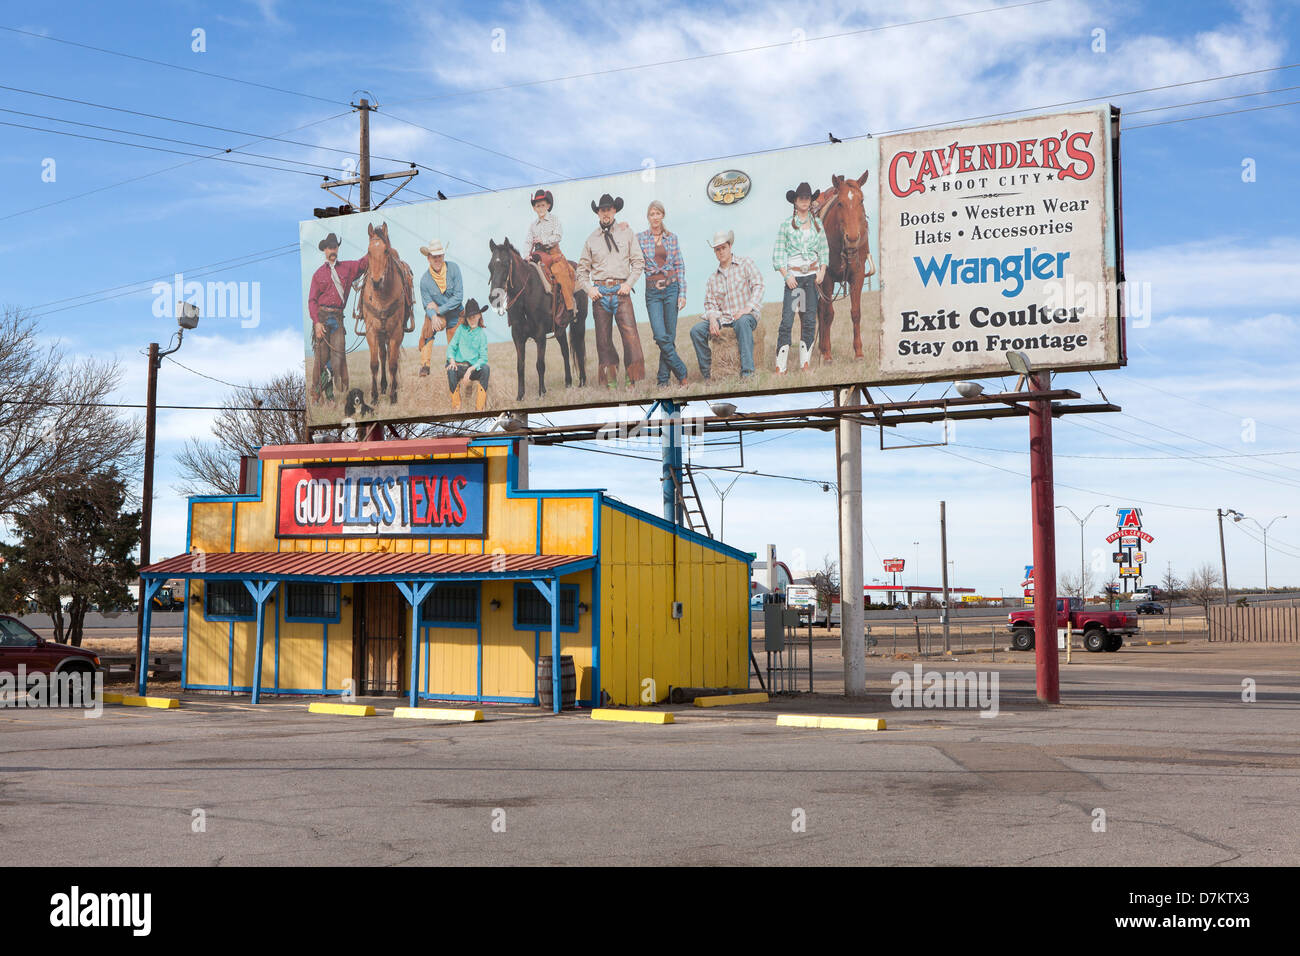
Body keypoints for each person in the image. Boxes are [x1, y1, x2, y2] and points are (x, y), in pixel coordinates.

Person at [576, 193, 645, 387]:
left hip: (622, 290)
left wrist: (628, 284)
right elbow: (581, 270)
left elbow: (638, 262)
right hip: (600, 293)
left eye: (609, 209)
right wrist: (589, 289)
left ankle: (633, 379)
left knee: (631, 336)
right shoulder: (591, 240)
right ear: (598, 213)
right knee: (603, 340)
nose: (605, 213)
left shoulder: (627, 233)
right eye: (602, 210)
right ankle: (610, 381)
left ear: (614, 210)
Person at [690, 230, 764, 380]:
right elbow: (710, 304)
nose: (721, 252)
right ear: (715, 252)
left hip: (745, 316)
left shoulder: (745, 263)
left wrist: (747, 308)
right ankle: (708, 374)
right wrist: (712, 319)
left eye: (723, 247)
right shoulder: (713, 279)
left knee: (742, 322)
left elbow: (759, 285)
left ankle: (748, 373)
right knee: (696, 331)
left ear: (730, 246)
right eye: (717, 249)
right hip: (723, 319)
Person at [771, 182, 829, 373]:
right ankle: (781, 365)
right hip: (795, 279)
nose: (804, 201)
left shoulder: (817, 224)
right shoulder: (787, 225)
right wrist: (786, 275)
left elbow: (824, 250)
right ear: (795, 202)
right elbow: (778, 255)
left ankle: (805, 363)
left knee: (810, 319)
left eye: (807, 198)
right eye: (801, 198)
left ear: (810, 201)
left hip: (811, 278)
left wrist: (821, 270)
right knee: (788, 319)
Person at [306, 232, 367, 402]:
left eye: (334, 246)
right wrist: (317, 323)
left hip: (338, 318)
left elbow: (363, 263)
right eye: (329, 247)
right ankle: (318, 393)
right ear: (324, 250)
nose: (332, 249)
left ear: (337, 248)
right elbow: (311, 301)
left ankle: (329, 391)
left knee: (338, 356)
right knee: (320, 357)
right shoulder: (318, 274)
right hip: (323, 318)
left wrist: (376, 243)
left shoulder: (348, 267)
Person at [636, 200, 689, 387]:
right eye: (652, 214)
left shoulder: (672, 238)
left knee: (669, 336)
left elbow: (679, 265)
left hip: (672, 288)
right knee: (660, 336)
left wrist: (682, 294)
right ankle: (682, 371)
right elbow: (628, 248)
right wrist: (622, 226)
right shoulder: (640, 238)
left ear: (663, 215)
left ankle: (663, 381)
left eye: (658, 213)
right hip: (652, 291)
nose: (655, 217)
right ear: (648, 217)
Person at [524, 189, 576, 315]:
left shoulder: (554, 220)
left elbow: (558, 236)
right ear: (534, 208)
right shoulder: (533, 225)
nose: (540, 208)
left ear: (548, 206)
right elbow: (528, 241)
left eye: (542, 205)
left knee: (560, 272)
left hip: (553, 254)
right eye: (537, 206)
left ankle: (570, 307)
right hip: (538, 256)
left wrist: (543, 240)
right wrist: (526, 254)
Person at [417, 238, 463, 378]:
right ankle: (425, 365)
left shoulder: (454, 268)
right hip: (439, 316)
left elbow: (458, 297)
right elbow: (427, 304)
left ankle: (451, 361)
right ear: (428, 258)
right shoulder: (424, 280)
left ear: (443, 256)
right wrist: (434, 315)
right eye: (434, 257)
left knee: (457, 342)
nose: (437, 259)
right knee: (428, 324)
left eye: (439, 256)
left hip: (455, 314)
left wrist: (438, 310)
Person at [445, 298, 490, 411]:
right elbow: (451, 346)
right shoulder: (461, 329)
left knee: (486, 369)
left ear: (479, 315)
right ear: (466, 319)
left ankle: (479, 408)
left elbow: (483, 358)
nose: (472, 319)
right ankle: (456, 406)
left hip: (473, 369)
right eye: (470, 317)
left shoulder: (481, 335)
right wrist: (452, 361)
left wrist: (470, 370)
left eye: (474, 316)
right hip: (459, 366)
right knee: (450, 370)